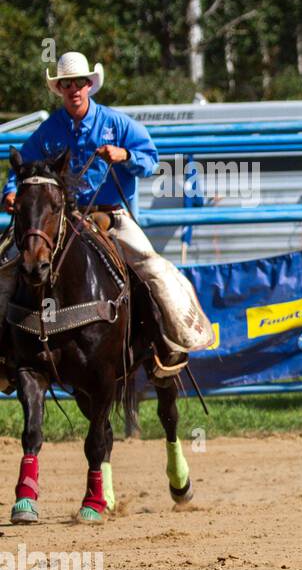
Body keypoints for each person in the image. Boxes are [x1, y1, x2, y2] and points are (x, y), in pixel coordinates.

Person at [1, 52, 214, 388]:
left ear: (89, 86)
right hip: (63, 219)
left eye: (79, 83)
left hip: (111, 215)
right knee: (8, 265)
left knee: (152, 267)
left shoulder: (117, 124)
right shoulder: (49, 130)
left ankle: (169, 343)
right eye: (66, 84)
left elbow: (150, 160)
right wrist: (10, 193)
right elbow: (23, 168)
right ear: (59, 89)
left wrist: (124, 155)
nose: (73, 89)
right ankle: (8, 356)